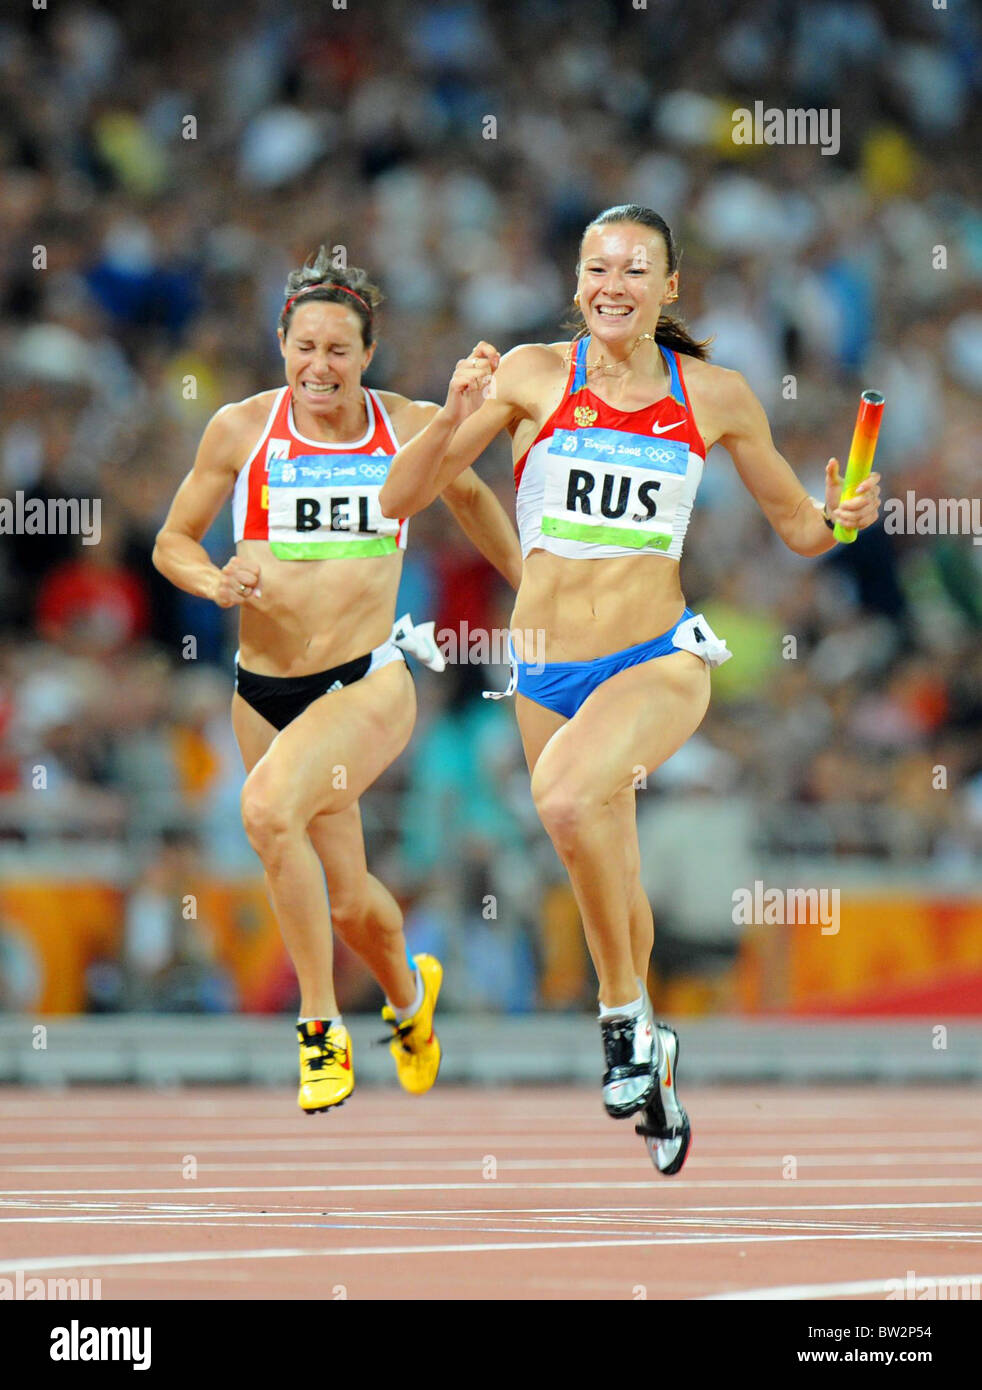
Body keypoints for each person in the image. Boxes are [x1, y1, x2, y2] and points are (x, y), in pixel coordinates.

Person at [379, 204, 881, 1175]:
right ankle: (651, 1057)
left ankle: (619, 1023)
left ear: (669, 287)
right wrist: (448, 417)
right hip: (543, 668)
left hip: (657, 656)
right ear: (576, 284)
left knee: (563, 797)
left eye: (635, 269)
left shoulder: (716, 393)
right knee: (602, 867)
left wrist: (846, 515)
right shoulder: (529, 374)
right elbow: (402, 498)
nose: (613, 284)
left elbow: (803, 530)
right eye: (596, 267)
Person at [153, 248, 522, 1114]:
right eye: (305, 347)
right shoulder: (241, 429)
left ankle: (320, 1028)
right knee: (352, 899)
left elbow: (469, 500)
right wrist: (213, 581)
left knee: (265, 810)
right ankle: (408, 1000)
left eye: (340, 352)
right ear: (281, 342)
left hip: (367, 680)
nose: (320, 367)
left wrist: (531, 584)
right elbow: (173, 540)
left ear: (368, 355)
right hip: (262, 688)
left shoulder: (407, 426)